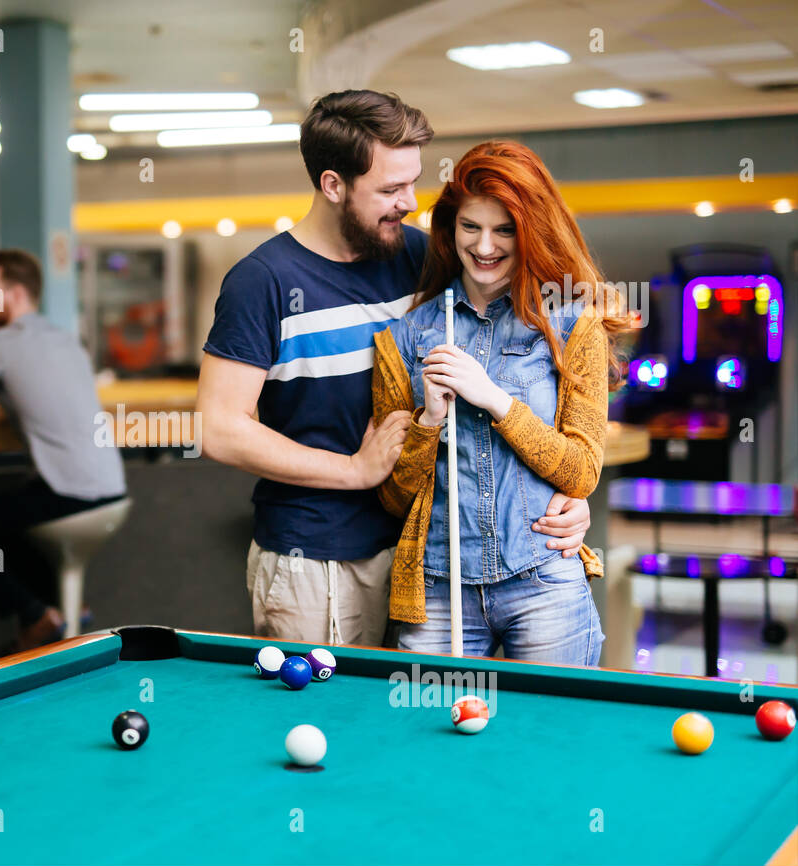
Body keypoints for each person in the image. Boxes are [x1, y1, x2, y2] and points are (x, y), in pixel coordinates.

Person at [197, 90, 593, 648]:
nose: (410, 202)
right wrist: (354, 471)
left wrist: (570, 497)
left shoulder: (419, 257)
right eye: (389, 189)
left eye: (412, 182)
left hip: (425, 558)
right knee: (332, 728)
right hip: (321, 560)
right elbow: (218, 428)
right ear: (333, 185)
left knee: (413, 727)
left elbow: (522, 362)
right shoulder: (260, 281)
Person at [372, 140, 628, 665]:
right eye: (471, 227)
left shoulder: (573, 323)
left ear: (530, 229)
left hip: (544, 581)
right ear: (449, 229)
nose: (484, 245)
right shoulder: (407, 336)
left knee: (551, 739)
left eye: (504, 229)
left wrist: (493, 399)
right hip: (439, 590)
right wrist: (429, 420)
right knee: (429, 739)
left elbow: (580, 472)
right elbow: (394, 499)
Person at [0, 248, 126, 651]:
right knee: (15, 516)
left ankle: (36, 616)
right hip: (111, 488)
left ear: (16, 293)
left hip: (70, 494)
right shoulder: (65, 340)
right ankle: (68, 606)